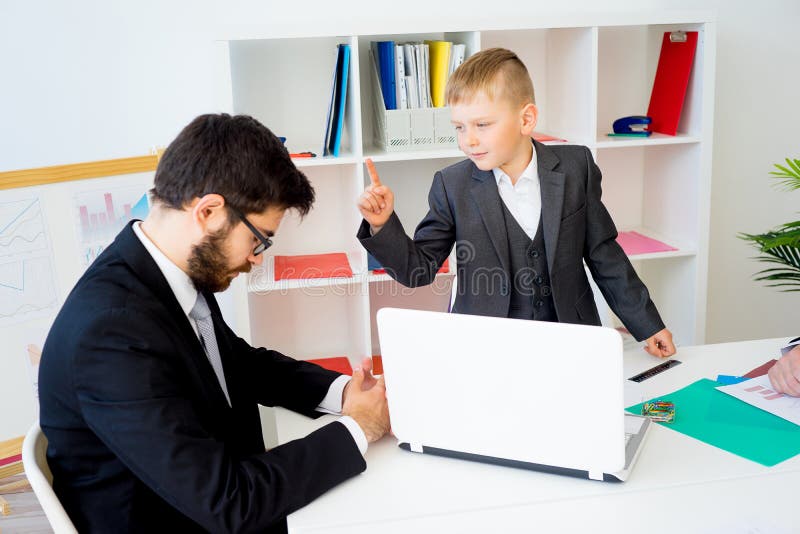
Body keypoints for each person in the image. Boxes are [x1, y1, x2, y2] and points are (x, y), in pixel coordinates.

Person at [38, 113, 390, 533]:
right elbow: (229, 502)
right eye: (257, 238)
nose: (257, 257)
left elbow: (238, 363)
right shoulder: (111, 334)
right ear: (208, 210)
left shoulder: (168, 273)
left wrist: (343, 391)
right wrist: (356, 429)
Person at [357, 47, 675, 356]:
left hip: (569, 341)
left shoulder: (577, 167)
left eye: (482, 124)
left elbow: (604, 256)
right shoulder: (452, 184)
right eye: (459, 127)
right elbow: (419, 270)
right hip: (485, 347)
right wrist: (382, 224)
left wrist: (646, 323)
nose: (468, 139)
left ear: (526, 119)